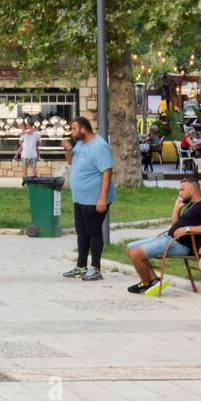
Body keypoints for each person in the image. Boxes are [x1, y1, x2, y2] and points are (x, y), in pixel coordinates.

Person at [124, 177, 201, 296]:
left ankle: (145, 282)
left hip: (182, 245)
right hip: (169, 239)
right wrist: (177, 207)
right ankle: (154, 280)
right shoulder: (190, 206)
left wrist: (187, 229)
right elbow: (175, 223)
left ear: (192, 189)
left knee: (135, 254)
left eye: (182, 189)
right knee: (130, 248)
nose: (180, 192)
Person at [62, 115, 115, 281]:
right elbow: (71, 162)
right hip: (80, 198)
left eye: (74, 128)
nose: (72, 131)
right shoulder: (80, 144)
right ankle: (81, 266)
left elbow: (107, 172)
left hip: (95, 199)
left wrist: (102, 198)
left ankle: (96, 268)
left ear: (83, 129)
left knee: (94, 233)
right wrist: (68, 150)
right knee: (81, 232)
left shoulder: (99, 146)